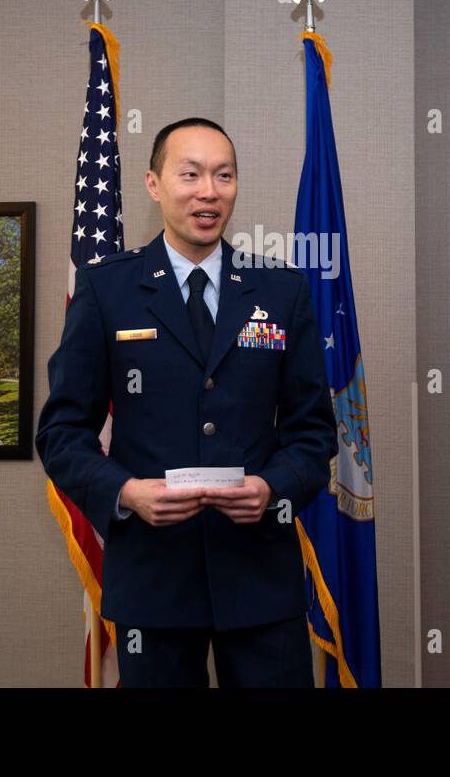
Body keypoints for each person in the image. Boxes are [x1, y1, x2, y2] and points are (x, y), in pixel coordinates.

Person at [36, 117, 338, 687]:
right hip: (153, 583)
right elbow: (61, 432)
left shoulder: (281, 291)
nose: (209, 190)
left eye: (224, 175)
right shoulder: (107, 290)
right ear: (153, 184)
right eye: (191, 174)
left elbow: (313, 433)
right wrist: (124, 493)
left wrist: (273, 487)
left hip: (261, 583)